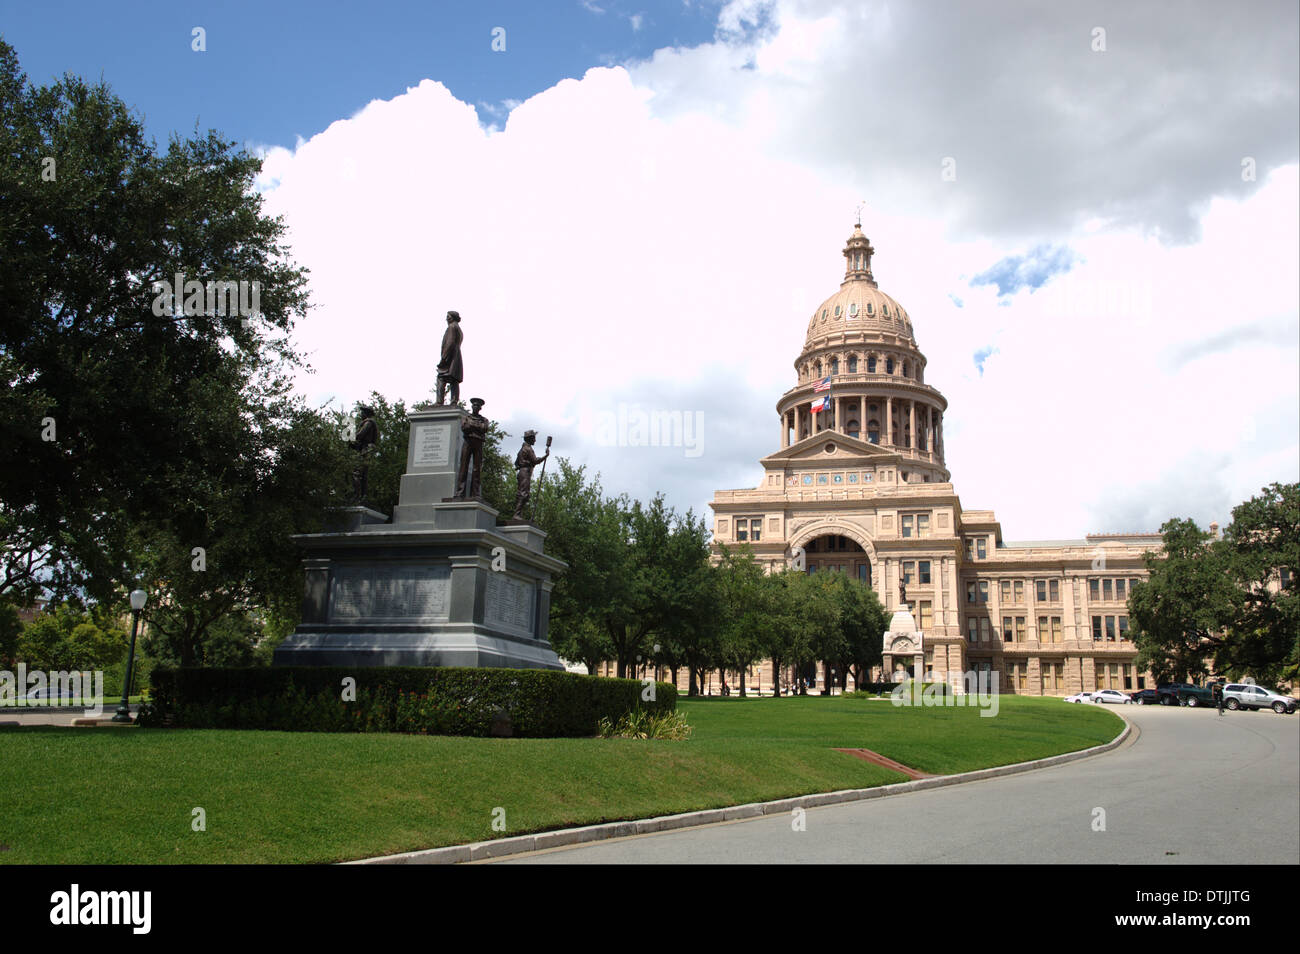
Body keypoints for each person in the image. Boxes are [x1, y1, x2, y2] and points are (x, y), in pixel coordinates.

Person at [512, 430, 550, 520]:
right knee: (523, 494)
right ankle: (516, 514)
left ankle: (519, 514)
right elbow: (535, 461)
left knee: (523, 493)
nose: (535, 441)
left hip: (522, 472)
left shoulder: (522, 449)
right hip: (525, 472)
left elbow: (516, 463)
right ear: (530, 439)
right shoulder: (528, 449)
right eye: (534, 438)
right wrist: (546, 456)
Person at [455, 398, 488, 499]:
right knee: (463, 467)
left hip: (478, 443)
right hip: (468, 442)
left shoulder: (484, 420)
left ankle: (475, 493)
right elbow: (465, 428)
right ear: (472, 407)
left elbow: (484, 428)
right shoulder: (466, 417)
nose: (475, 407)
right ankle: (460, 492)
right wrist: (477, 426)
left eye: (477, 406)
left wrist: (472, 426)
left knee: (477, 468)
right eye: (474, 405)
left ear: (480, 408)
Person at [436, 311, 463, 405]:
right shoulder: (458, 329)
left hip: (450, 356)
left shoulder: (451, 327)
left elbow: (450, 343)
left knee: (441, 377)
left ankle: (439, 402)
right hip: (456, 356)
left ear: (452, 317)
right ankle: (454, 401)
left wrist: (444, 358)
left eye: (448, 316)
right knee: (454, 380)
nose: (446, 318)